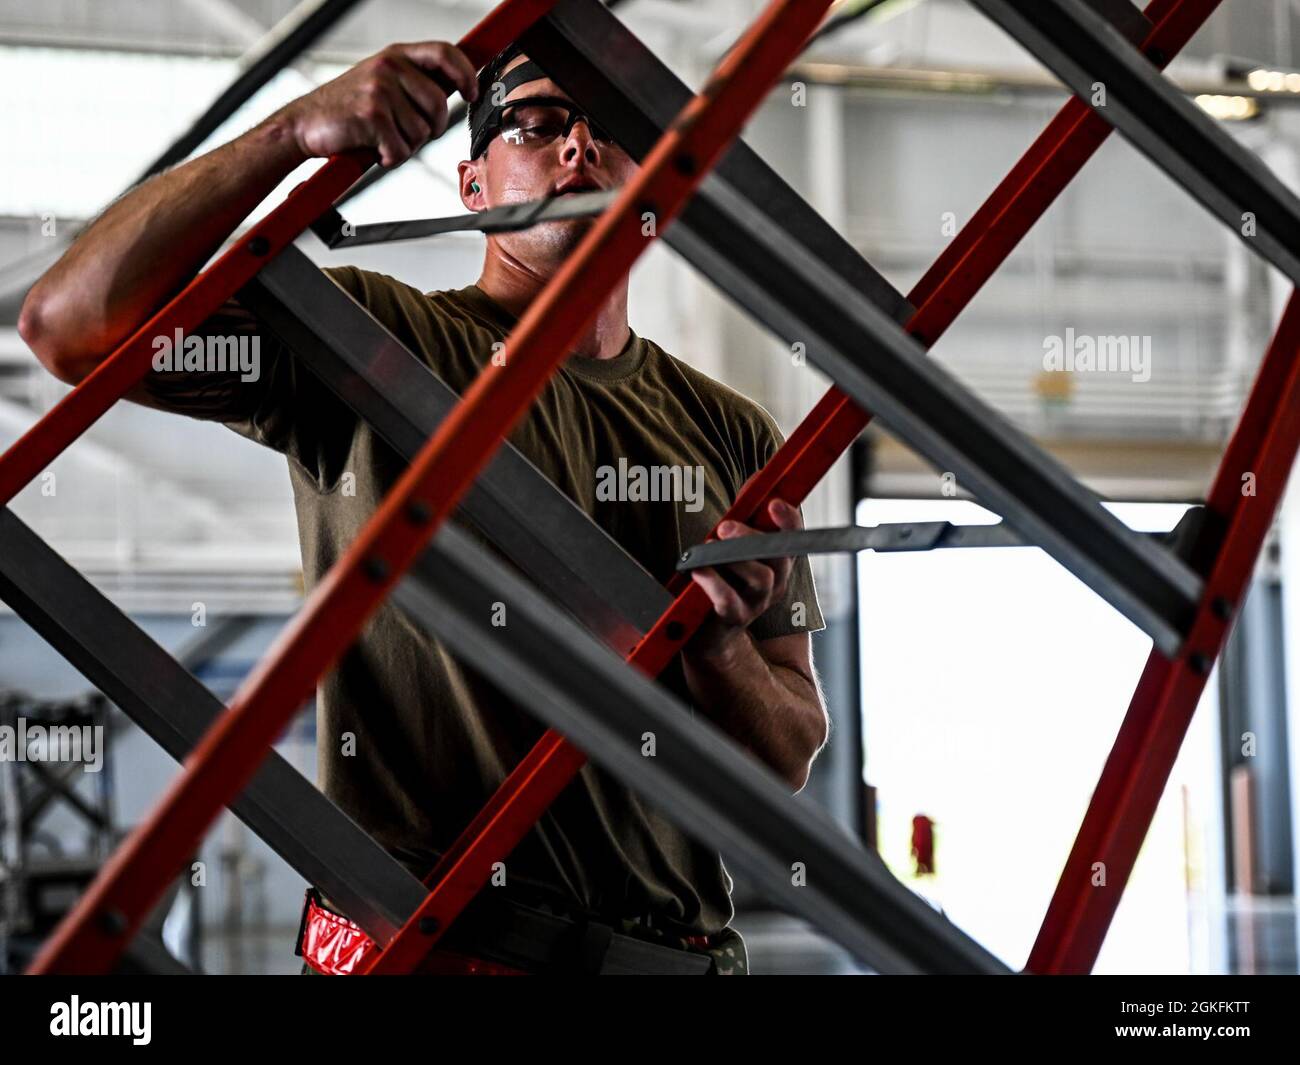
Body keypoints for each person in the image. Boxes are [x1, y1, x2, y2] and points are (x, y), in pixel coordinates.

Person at [19, 39, 829, 975]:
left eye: (614, 134)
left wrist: (721, 646)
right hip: (435, 949)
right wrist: (293, 133)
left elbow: (786, 759)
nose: (579, 149)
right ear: (472, 184)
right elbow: (68, 324)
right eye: (539, 123)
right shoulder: (371, 345)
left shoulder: (735, 434)